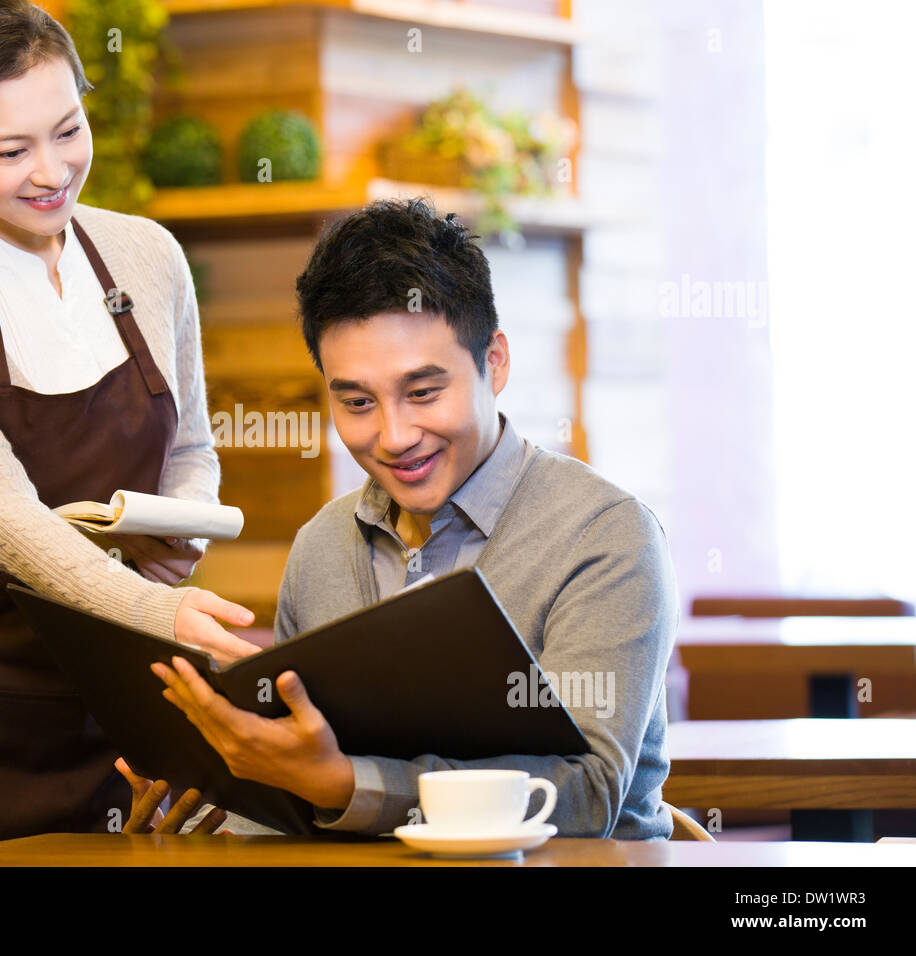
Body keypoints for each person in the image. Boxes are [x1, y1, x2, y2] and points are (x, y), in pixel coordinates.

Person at [0, 0, 254, 859]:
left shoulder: (148, 256)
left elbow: (189, 445)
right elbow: (5, 524)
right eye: (11, 152)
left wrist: (182, 527)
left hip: (120, 699)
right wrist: (163, 611)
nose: (53, 171)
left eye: (68, 130)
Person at [153, 197, 679, 839]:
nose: (394, 436)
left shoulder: (605, 535)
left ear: (495, 362)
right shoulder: (322, 546)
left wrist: (347, 783)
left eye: (424, 393)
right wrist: (218, 804)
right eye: (356, 401)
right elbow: (304, 793)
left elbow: (588, 797)